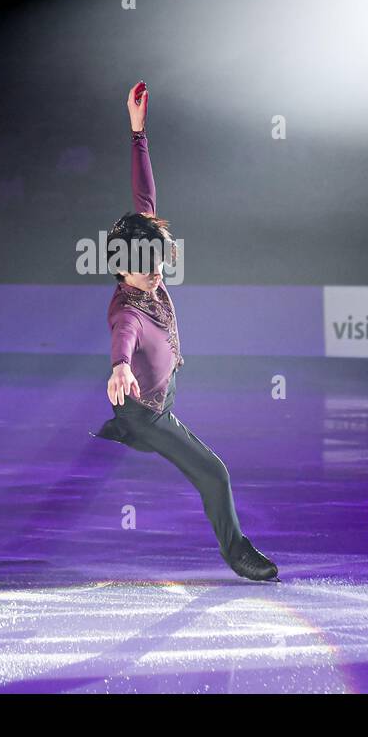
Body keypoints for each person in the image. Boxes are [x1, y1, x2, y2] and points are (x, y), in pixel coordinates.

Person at [89, 80, 279, 582]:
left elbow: (144, 194)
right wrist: (120, 367)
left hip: (161, 391)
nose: (156, 272)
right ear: (120, 267)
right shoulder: (126, 310)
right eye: (145, 266)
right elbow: (123, 336)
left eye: (157, 260)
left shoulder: (142, 255)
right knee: (214, 473)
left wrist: (137, 131)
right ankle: (237, 553)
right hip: (145, 410)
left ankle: (122, 430)